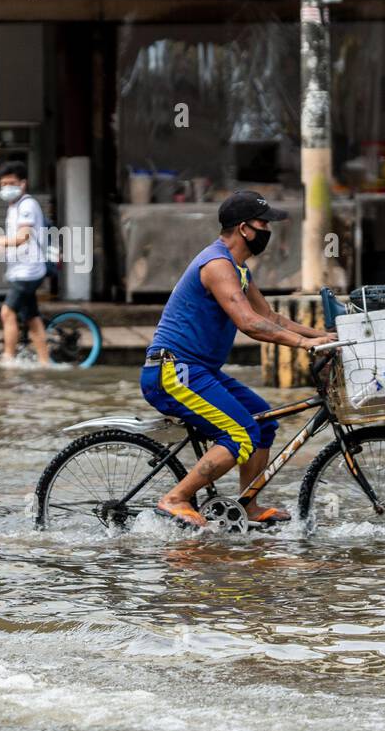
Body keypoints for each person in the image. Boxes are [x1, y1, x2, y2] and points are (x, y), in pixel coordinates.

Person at [140, 191, 335, 529]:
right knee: (240, 433)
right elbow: (249, 324)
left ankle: (249, 503)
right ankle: (175, 498)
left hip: (199, 371)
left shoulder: (238, 269)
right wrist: (305, 344)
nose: (268, 230)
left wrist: (321, 336)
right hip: (172, 371)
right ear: (244, 229)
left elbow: (270, 318)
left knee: (264, 423)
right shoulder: (217, 265)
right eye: (264, 224)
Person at [0, 161, 51, 367]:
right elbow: (13, 239)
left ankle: (8, 358)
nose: (6, 187)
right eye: (3, 184)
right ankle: (45, 361)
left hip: (29, 271)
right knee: (31, 317)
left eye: (11, 183)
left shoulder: (27, 205)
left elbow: (23, 237)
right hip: (19, 270)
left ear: (23, 184)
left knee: (7, 312)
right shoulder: (13, 207)